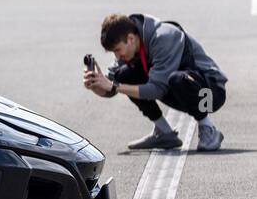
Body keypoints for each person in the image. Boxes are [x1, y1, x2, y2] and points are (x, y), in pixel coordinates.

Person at [84, 13, 227, 151]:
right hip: (180, 89)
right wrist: (96, 85)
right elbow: (112, 86)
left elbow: (156, 90)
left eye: (117, 50)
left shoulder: (164, 37)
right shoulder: (131, 45)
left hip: (210, 93)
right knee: (124, 74)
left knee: (177, 79)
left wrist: (114, 86)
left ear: (131, 38)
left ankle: (208, 130)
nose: (117, 56)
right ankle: (164, 133)